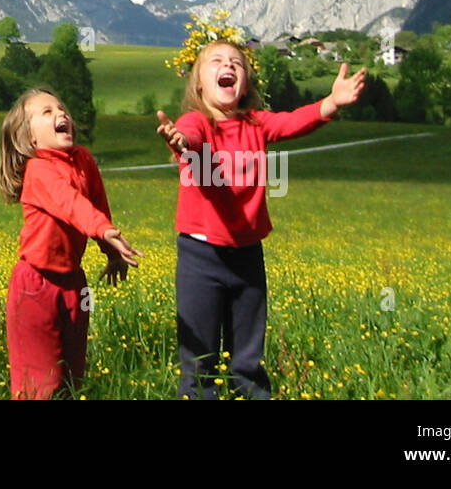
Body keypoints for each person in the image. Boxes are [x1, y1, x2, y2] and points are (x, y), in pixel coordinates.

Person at [156, 41, 364, 399]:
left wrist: (330, 103)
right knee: (199, 359)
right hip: (199, 256)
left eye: (237, 63)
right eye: (218, 62)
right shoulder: (197, 122)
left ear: (246, 84)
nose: (229, 66)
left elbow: (293, 122)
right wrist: (179, 140)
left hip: (247, 255)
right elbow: (190, 139)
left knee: (247, 359)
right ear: (199, 83)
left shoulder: (256, 124)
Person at [0, 87, 141, 399]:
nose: (61, 114)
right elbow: (70, 203)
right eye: (47, 112)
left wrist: (111, 249)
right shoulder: (38, 170)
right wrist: (101, 230)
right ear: (28, 138)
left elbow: (97, 203)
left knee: (72, 380)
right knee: (39, 385)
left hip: (75, 284)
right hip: (35, 287)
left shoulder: (83, 160)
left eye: (61, 109)